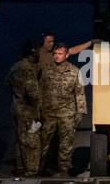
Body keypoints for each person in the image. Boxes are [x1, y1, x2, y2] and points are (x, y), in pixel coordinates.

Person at [38, 42, 87, 176]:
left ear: (66, 55)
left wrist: (80, 112)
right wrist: (37, 110)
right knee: (44, 142)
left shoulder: (75, 71)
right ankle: (41, 168)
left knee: (66, 143)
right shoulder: (46, 70)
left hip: (67, 114)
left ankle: (64, 169)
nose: (56, 56)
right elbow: (40, 91)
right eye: (55, 54)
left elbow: (80, 93)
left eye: (60, 54)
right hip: (48, 113)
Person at [8, 39, 42, 176]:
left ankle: (20, 167)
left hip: (17, 108)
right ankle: (32, 170)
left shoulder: (15, 67)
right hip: (29, 112)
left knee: (20, 138)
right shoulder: (28, 68)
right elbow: (32, 93)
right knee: (32, 139)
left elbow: (8, 83)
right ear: (33, 53)